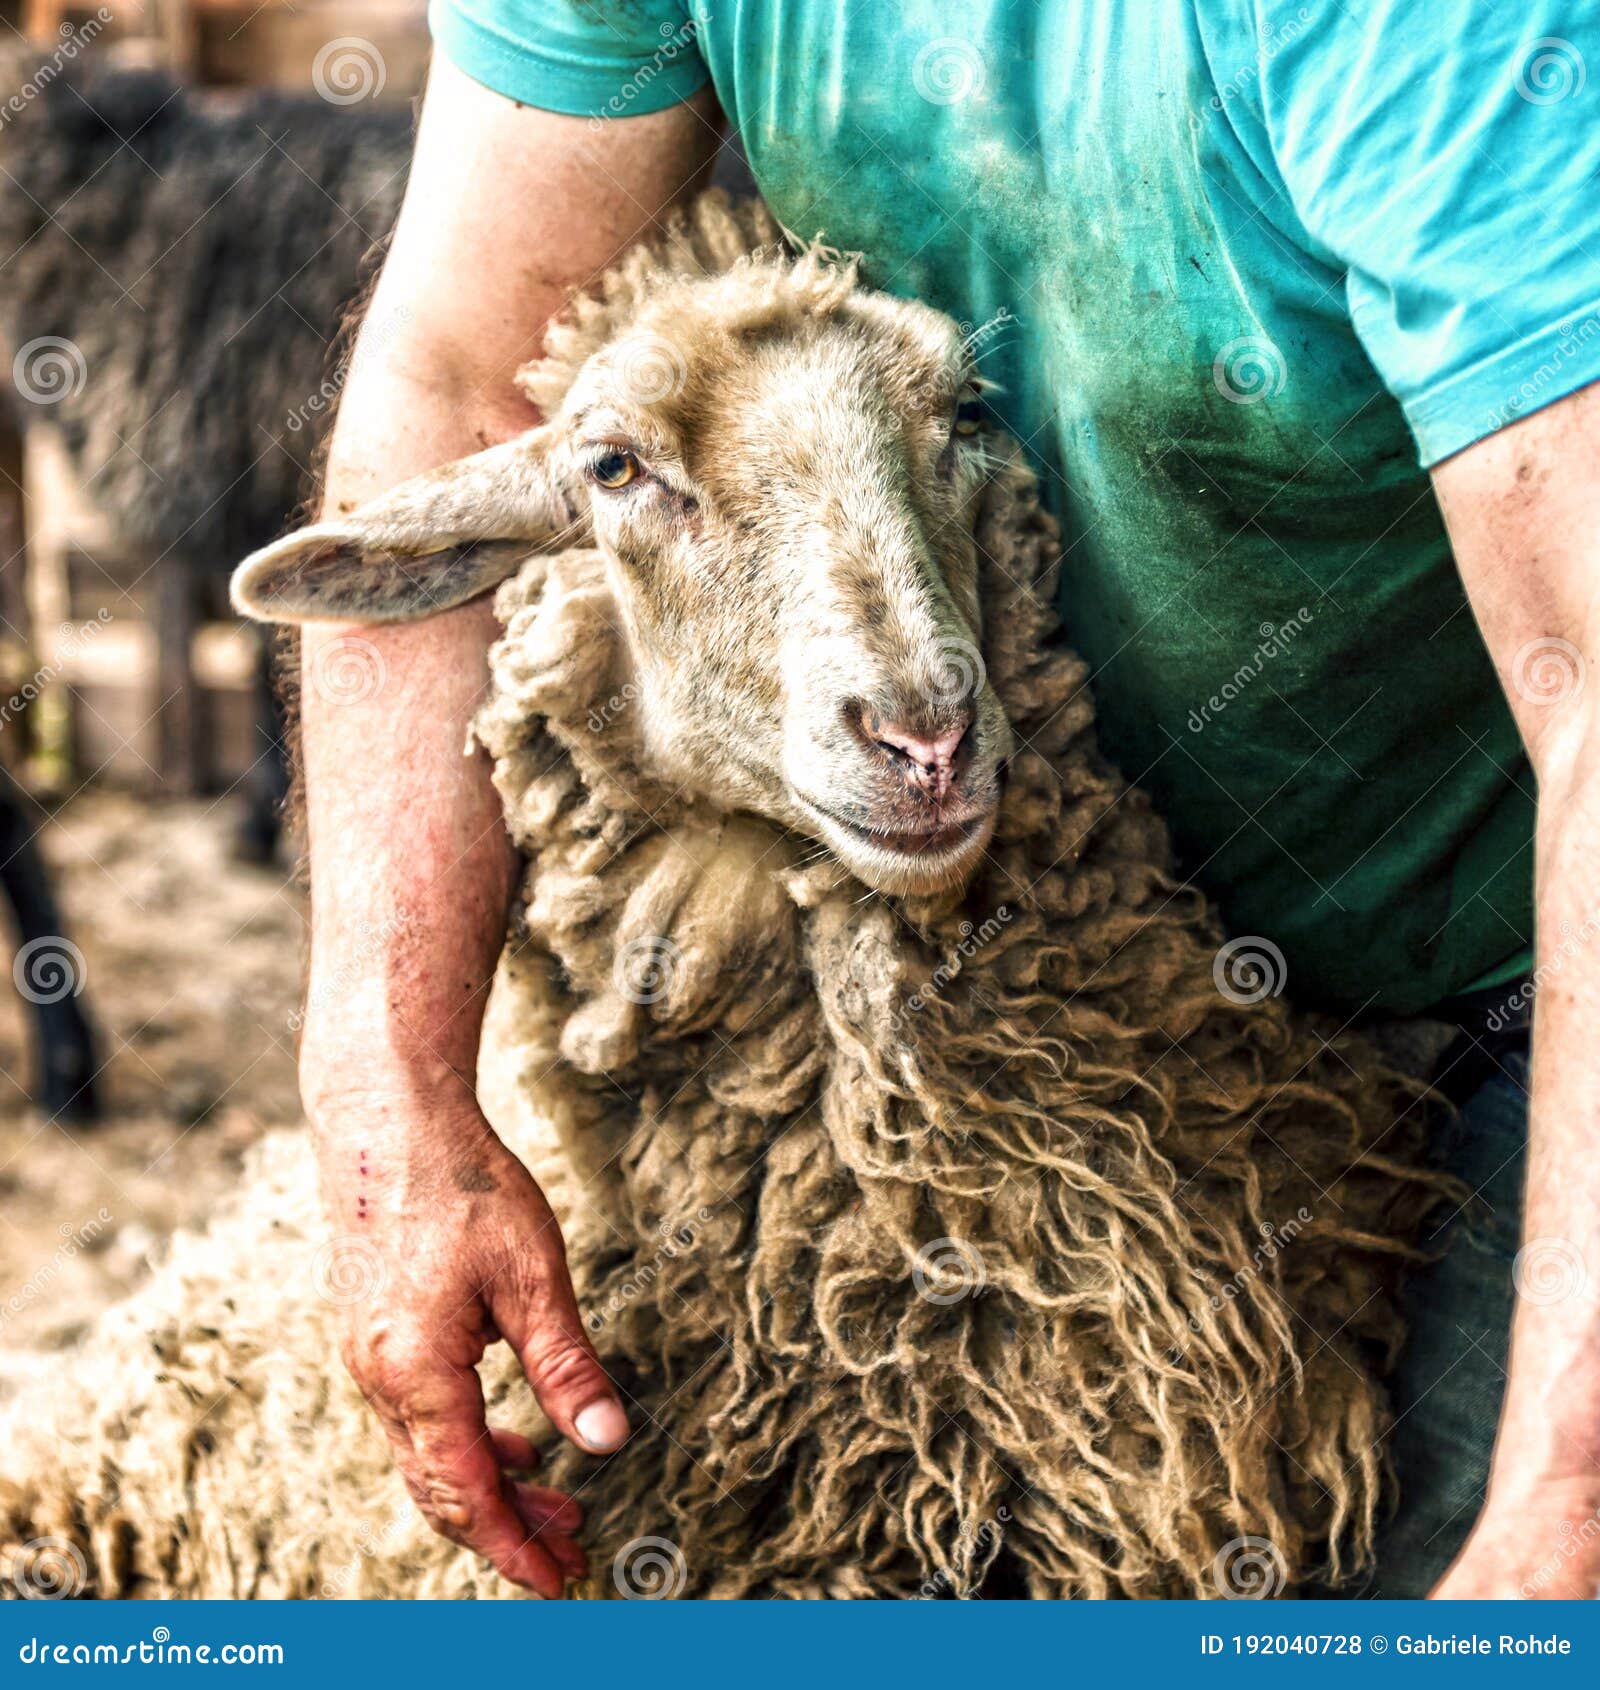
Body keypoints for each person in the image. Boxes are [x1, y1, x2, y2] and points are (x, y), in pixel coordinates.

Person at [301, 0, 1600, 1598]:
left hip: (1505, 969)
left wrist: (1566, 1502)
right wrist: (390, 1101)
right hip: (1083, 971)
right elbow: (456, 382)